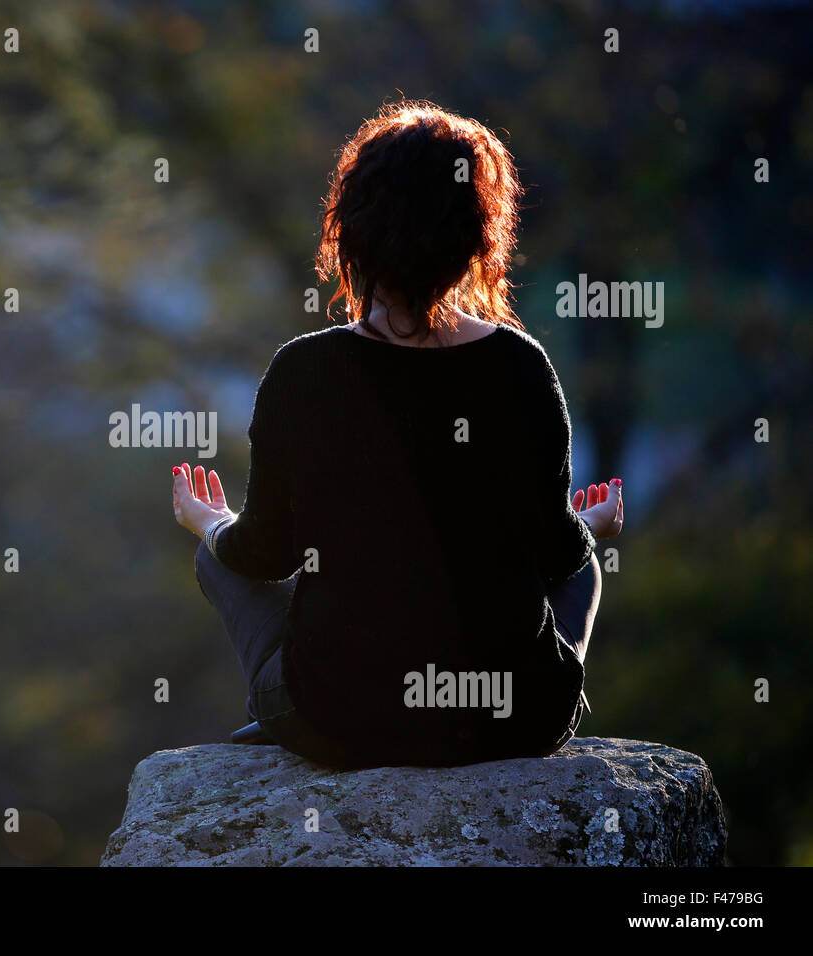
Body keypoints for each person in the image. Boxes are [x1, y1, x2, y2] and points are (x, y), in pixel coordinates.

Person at [170, 100, 624, 769]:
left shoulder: (305, 372)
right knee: (584, 564)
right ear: (476, 238)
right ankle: (541, 694)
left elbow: (262, 555)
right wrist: (590, 529)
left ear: (350, 233)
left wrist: (209, 523)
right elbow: (556, 554)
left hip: (343, 723)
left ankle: (293, 717)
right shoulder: (521, 368)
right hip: (512, 721)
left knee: (216, 556)